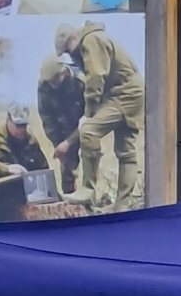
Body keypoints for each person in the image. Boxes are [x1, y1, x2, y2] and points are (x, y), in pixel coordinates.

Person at [55, 22, 142, 213]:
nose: (71, 55)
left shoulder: (91, 40)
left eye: (68, 50)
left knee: (89, 131)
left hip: (124, 94)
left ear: (73, 39)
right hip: (130, 93)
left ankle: (88, 190)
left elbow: (96, 78)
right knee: (126, 150)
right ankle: (122, 205)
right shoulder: (96, 38)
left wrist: (89, 113)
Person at [0, 106, 49, 223]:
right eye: (17, 125)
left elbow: (43, 169)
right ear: (8, 121)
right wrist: (6, 169)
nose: (21, 130)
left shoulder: (31, 141)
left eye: (24, 126)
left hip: (26, 195)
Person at [35, 54, 84, 195]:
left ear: (63, 73)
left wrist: (69, 142)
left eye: (54, 80)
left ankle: (90, 197)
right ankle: (69, 198)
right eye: (49, 81)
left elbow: (90, 117)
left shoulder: (81, 82)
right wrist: (58, 144)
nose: (51, 84)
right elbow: (47, 117)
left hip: (85, 125)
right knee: (67, 167)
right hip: (63, 127)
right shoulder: (44, 85)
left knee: (91, 157)